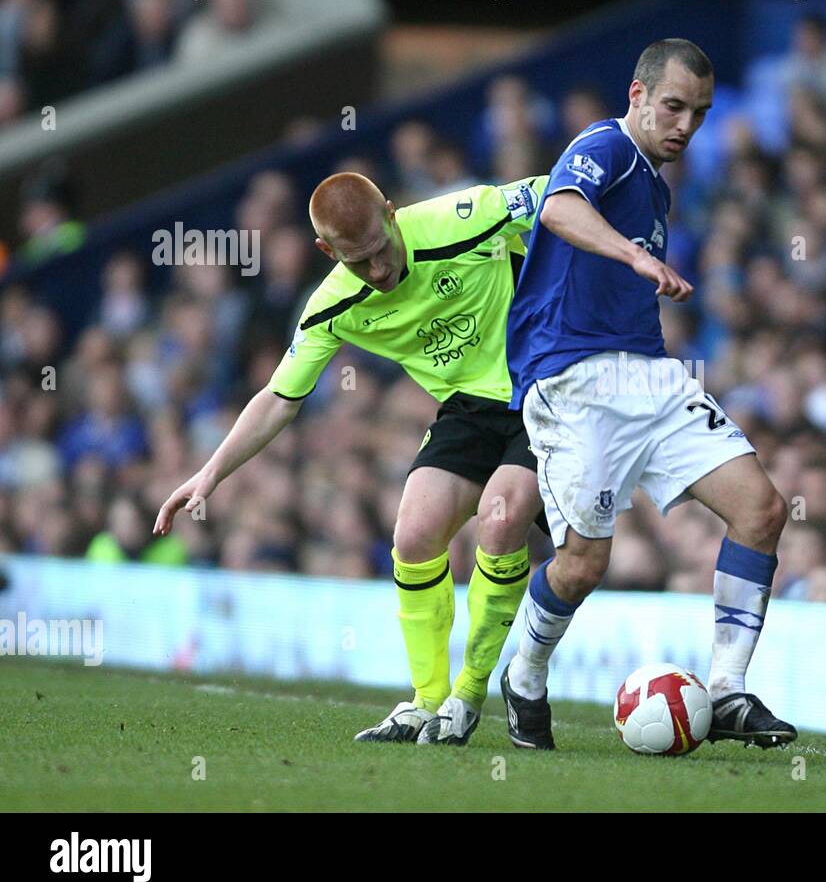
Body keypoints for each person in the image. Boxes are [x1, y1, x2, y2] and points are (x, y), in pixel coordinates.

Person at [154, 171, 549, 746]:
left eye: (382, 251)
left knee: (501, 517)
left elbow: (568, 185)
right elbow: (277, 400)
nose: (379, 271)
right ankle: (427, 700)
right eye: (359, 262)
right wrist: (210, 474)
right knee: (413, 535)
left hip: (545, 388)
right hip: (468, 409)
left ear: (392, 213)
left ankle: (469, 691)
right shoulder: (332, 305)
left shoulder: (467, 217)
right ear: (327, 252)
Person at [501, 38, 795, 751]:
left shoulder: (658, 183)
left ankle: (725, 691)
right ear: (636, 96)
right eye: (672, 106)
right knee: (582, 565)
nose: (685, 126)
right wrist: (635, 254)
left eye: (699, 113)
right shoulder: (602, 145)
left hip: (650, 377)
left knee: (761, 508)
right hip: (573, 381)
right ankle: (525, 673)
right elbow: (559, 208)